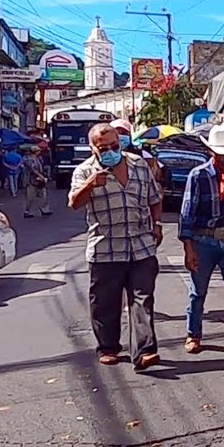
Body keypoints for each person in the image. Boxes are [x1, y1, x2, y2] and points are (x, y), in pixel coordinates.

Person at [69, 123, 165, 370]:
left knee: (143, 299)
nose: (111, 151)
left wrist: (157, 224)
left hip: (141, 245)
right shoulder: (84, 171)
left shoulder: (138, 164)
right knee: (106, 303)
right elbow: (74, 204)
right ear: (93, 149)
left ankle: (144, 351)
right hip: (106, 249)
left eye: (115, 145)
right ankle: (108, 347)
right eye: (104, 149)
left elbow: (154, 198)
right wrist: (90, 184)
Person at [179, 123, 224, 369]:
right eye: (221, 154)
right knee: (198, 292)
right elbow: (187, 213)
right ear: (212, 152)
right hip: (203, 240)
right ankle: (194, 332)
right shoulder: (198, 175)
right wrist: (188, 248)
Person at [21, 146, 53, 218]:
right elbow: (32, 169)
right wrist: (40, 175)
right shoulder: (29, 159)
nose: (40, 152)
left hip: (39, 181)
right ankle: (27, 211)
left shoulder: (38, 159)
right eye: (38, 151)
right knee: (30, 197)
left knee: (43, 195)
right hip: (31, 181)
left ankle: (44, 209)